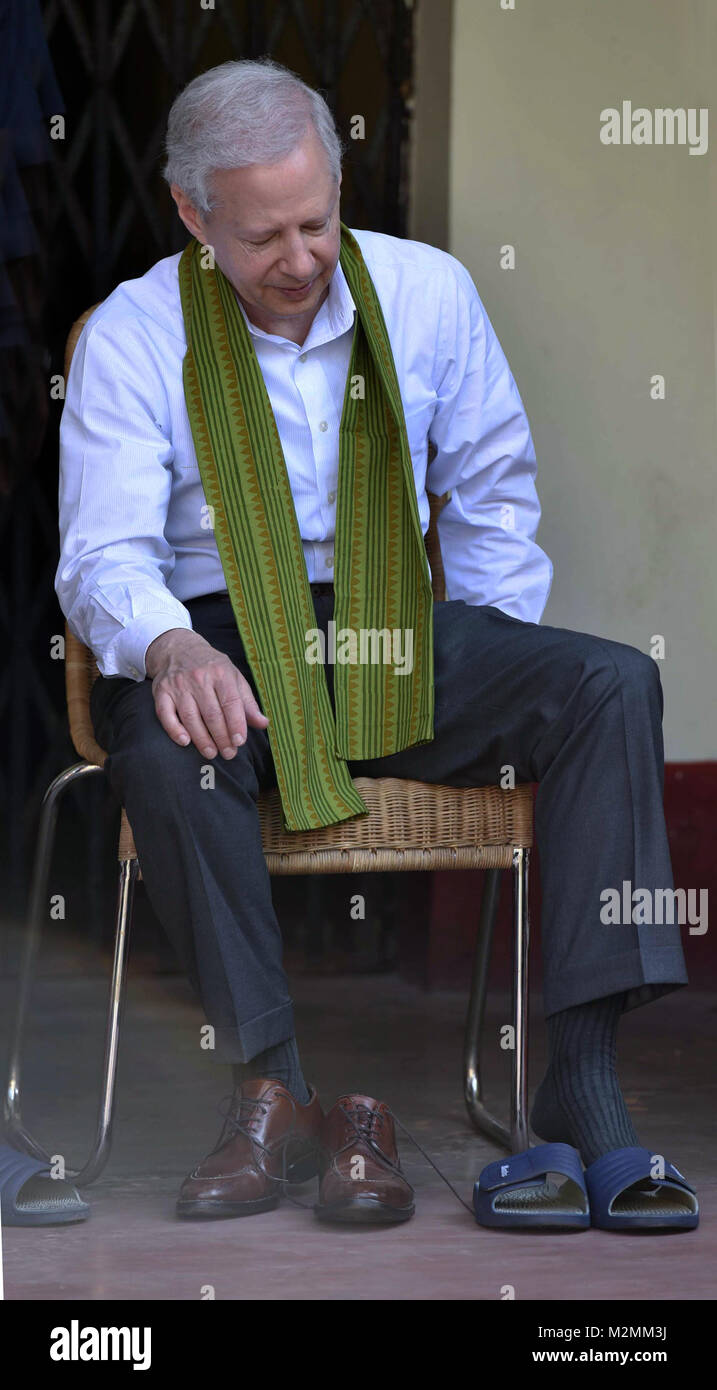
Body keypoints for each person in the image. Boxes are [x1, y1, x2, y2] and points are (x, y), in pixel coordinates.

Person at [55, 57, 691, 1228]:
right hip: (218, 632)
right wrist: (168, 649)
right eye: (262, 237)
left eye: (317, 221)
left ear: (340, 188)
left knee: (610, 683)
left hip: (388, 623)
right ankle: (275, 1087)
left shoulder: (426, 293)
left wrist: (488, 658)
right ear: (193, 215)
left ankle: (584, 1082)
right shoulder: (136, 336)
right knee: (173, 747)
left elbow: (494, 493)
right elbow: (103, 556)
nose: (300, 259)